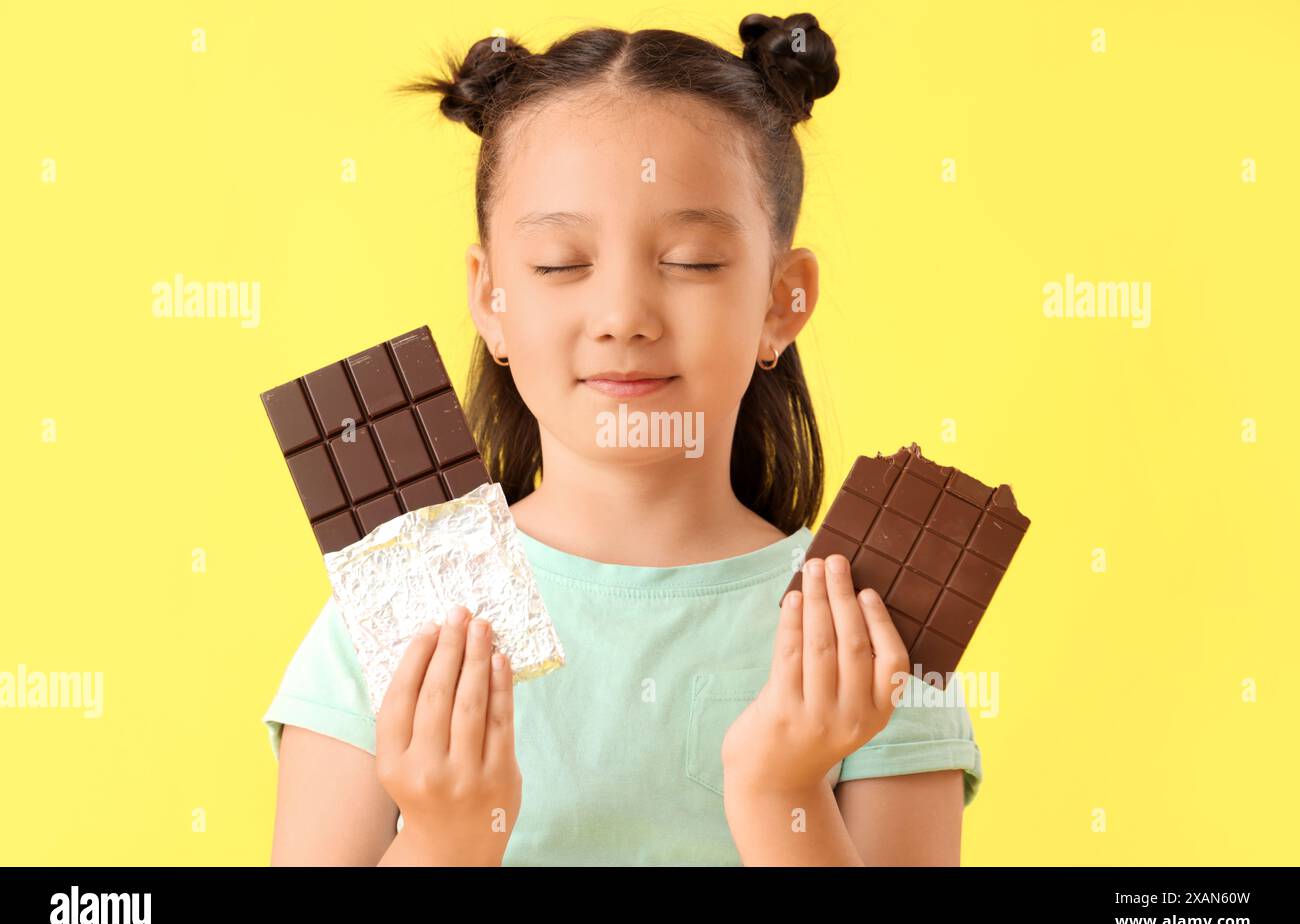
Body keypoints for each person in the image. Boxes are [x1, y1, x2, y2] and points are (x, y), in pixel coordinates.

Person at [263, 12, 982, 866]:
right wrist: (448, 835)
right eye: (562, 264)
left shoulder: (866, 639)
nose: (623, 318)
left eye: (690, 262)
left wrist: (780, 793)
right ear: (491, 298)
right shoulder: (390, 621)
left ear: (781, 301)